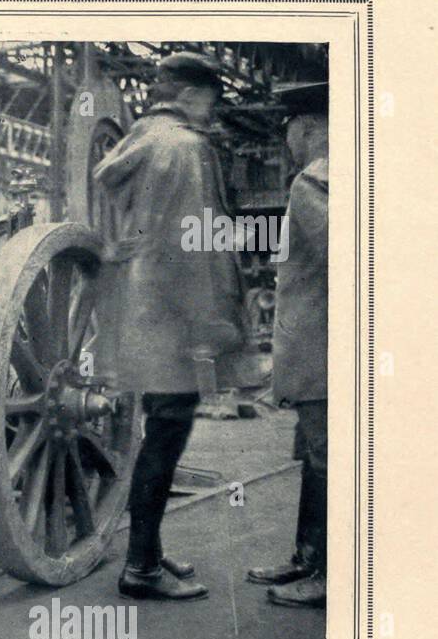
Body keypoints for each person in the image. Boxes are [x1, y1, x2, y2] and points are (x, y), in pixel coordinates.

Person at [92, 52, 247, 601]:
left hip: (137, 309)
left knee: (154, 432)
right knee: (166, 436)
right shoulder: (186, 147)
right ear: (190, 95)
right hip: (175, 316)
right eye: (211, 98)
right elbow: (195, 242)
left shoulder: (138, 139)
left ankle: (149, 550)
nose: (214, 109)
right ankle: (140, 569)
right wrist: (211, 324)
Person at [246, 82, 329, 608]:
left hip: (326, 350)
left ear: (308, 129)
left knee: (330, 459)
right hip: (333, 348)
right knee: (313, 453)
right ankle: (306, 557)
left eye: (291, 134)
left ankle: (329, 575)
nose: (289, 146)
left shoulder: (313, 182)